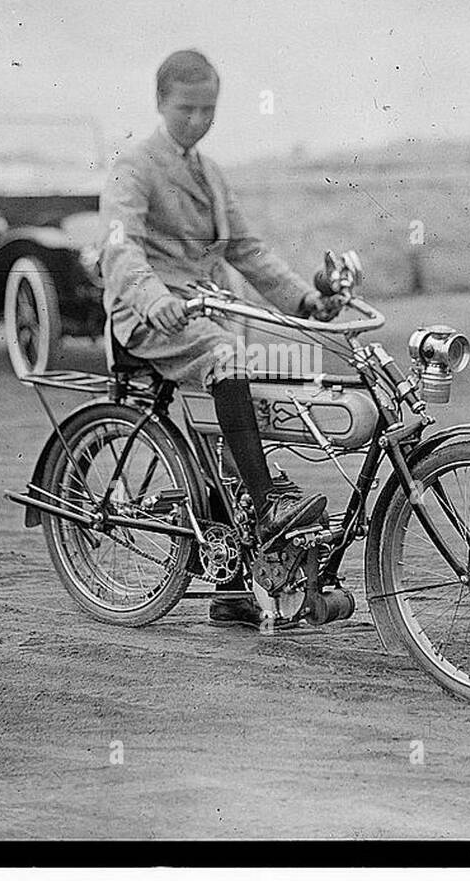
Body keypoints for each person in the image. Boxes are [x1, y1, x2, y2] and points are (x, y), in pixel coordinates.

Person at [98, 50, 341, 625]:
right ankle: (267, 505)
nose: (198, 121)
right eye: (187, 109)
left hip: (208, 310)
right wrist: (153, 299)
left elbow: (247, 249)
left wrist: (304, 300)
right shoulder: (133, 167)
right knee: (229, 356)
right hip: (151, 318)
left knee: (265, 371)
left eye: (209, 110)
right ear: (160, 103)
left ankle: (234, 584)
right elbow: (119, 246)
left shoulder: (209, 171)